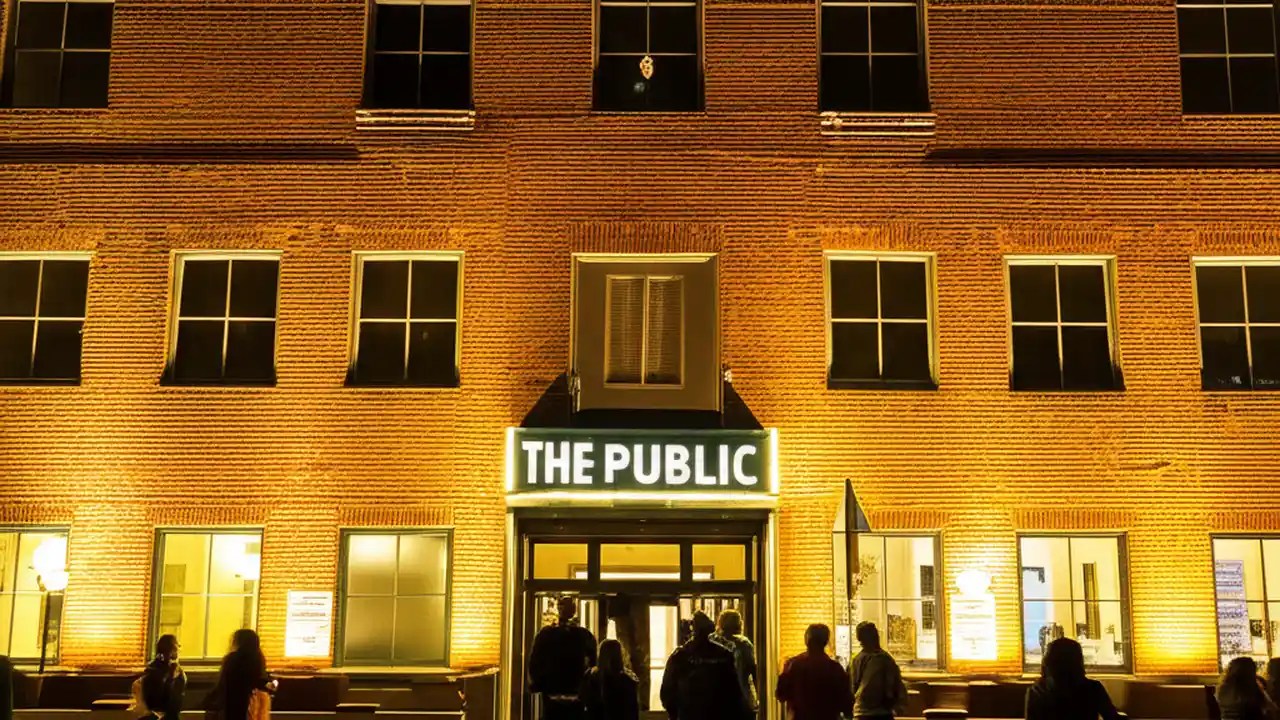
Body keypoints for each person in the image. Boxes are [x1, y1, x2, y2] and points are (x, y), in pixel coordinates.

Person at [660, 611, 745, 720]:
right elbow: (734, 693)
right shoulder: (723, 655)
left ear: (692, 630)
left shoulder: (680, 656)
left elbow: (667, 693)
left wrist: (675, 714)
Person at [529, 596, 598, 720]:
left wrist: (539, 683)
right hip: (575, 692)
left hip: (553, 692)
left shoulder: (546, 634)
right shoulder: (583, 635)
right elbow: (593, 664)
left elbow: (534, 663)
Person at [1024, 637, 1121, 720]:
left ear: (1048, 662)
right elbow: (1112, 717)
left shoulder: (1036, 692)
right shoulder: (1093, 689)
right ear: (1078, 662)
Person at [776, 624, 853, 720]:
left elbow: (781, 694)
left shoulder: (793, 665)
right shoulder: (835, 668)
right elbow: (846, 703)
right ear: (826, 641)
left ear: (807, 640)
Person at [205, 630, 275, 720]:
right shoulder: (257, 660)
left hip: (232, 706)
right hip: (251, 707)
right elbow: (260, 681)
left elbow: (223, 685)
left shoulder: (232, 660)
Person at [849, 622, 906, 720]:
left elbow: (852, 686)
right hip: (881, 713)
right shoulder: (885, 659)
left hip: (860, 712)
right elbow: (894, 685)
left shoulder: (856, 660)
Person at [712, 609, 758, 718]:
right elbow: (753, 670)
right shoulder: (744, 644)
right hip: (740, 698)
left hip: (716, 699)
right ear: (738, 624)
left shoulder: (712, 640)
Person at [580, 639, 639, 720]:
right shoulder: (627, 680)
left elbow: (583, 703)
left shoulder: (591, 677)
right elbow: (632, 713)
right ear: (620, 655)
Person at [134, 634, 186, 720]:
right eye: (177, 646)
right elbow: (174, 702)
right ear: (172, 650)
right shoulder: (175, 672)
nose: (179, 650)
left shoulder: (150, 669)